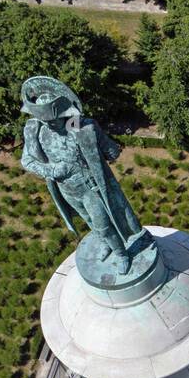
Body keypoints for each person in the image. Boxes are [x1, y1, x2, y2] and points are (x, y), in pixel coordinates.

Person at [19, 76, 145, 271]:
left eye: (52, 120)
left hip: (90, 188)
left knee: (103, 224)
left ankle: (121, 254)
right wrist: (51, 170)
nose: (49, 124)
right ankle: (106, 243)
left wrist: (111, 149)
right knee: (87, 219)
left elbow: (104, 146)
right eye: (44, 121)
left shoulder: (77, 126)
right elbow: (27, 160)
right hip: (67, 190)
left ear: (62, 113)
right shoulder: (35, 131)